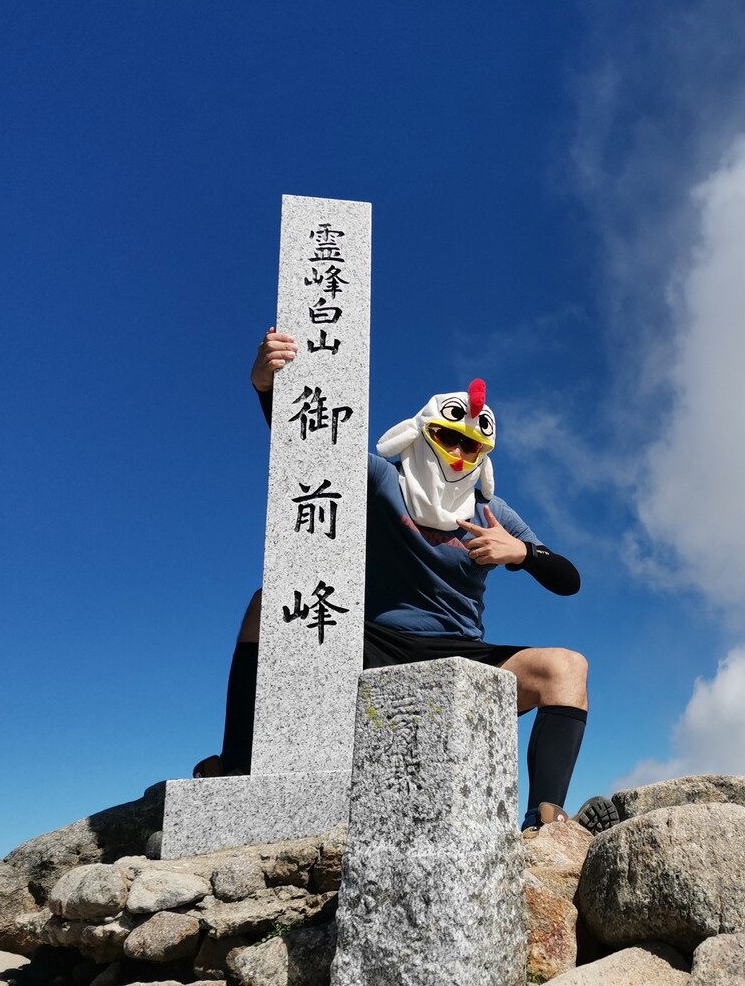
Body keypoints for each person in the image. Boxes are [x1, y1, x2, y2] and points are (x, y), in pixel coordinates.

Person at [198, 328, 602, 832]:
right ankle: (239, 763)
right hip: (372, 641)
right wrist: (266, 387)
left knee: (567, 667)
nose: (460, 452)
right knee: (269, 602)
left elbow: (568, 579)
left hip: (460, 650)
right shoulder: (381, 480)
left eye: (474, 446)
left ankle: (546, 821)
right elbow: (312, 447)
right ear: (423, 433)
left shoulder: (491, 511)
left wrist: (521, 552)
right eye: (450, 436)